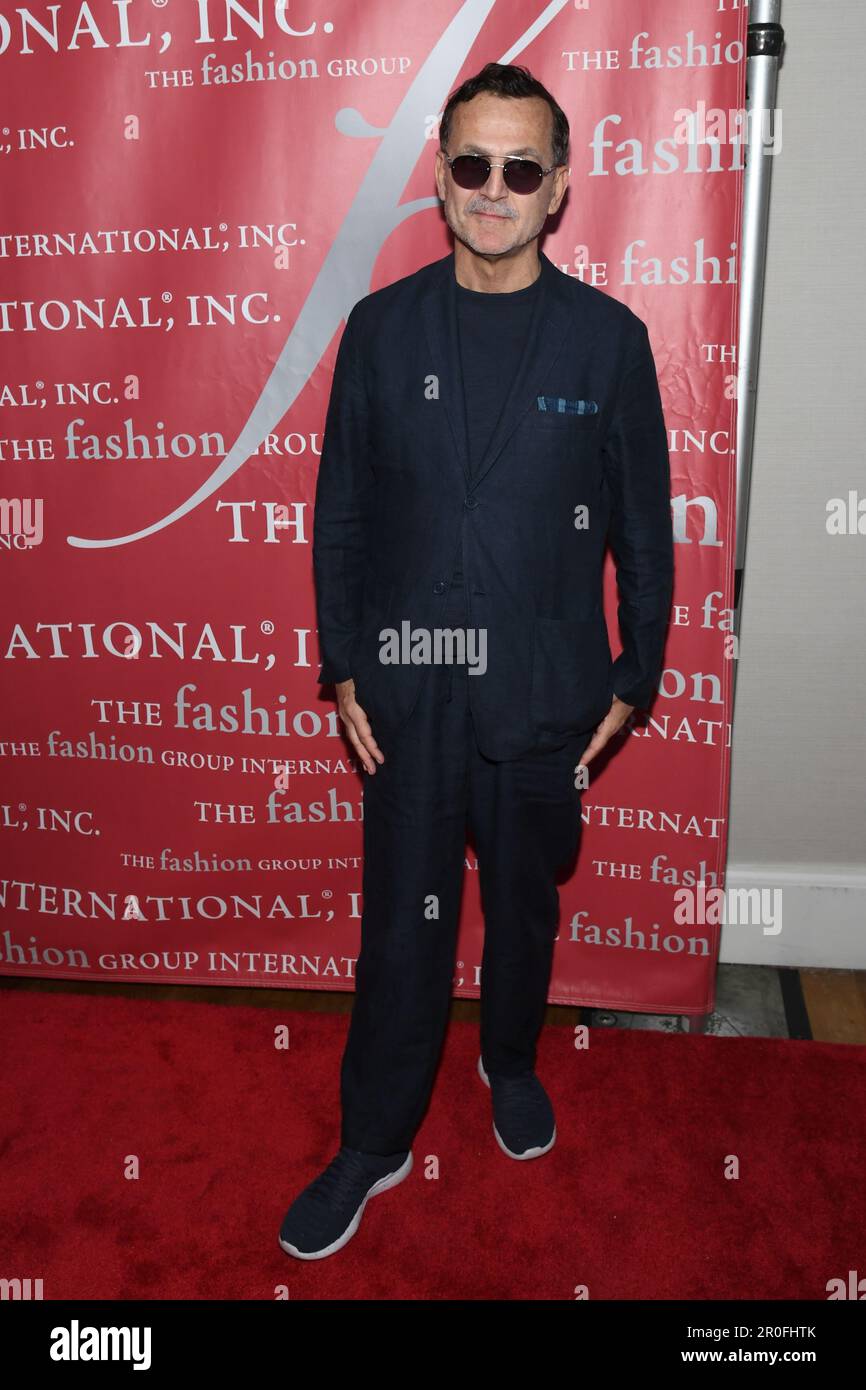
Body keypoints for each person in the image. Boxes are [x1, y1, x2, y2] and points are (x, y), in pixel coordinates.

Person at [279, 62, 674, 1261]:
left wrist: (633, 674)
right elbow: (340, 509)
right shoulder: (380, 328)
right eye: (469, 165)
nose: (491, 190)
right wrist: (343, 662)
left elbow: (642, 530)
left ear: (556, 188)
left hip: (546, 697)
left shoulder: (609, 343)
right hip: (407, 690)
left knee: (520, 913)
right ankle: (373, 1137)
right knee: (401, 925)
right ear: (441, 181)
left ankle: (509, 1059)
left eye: (519, 168)